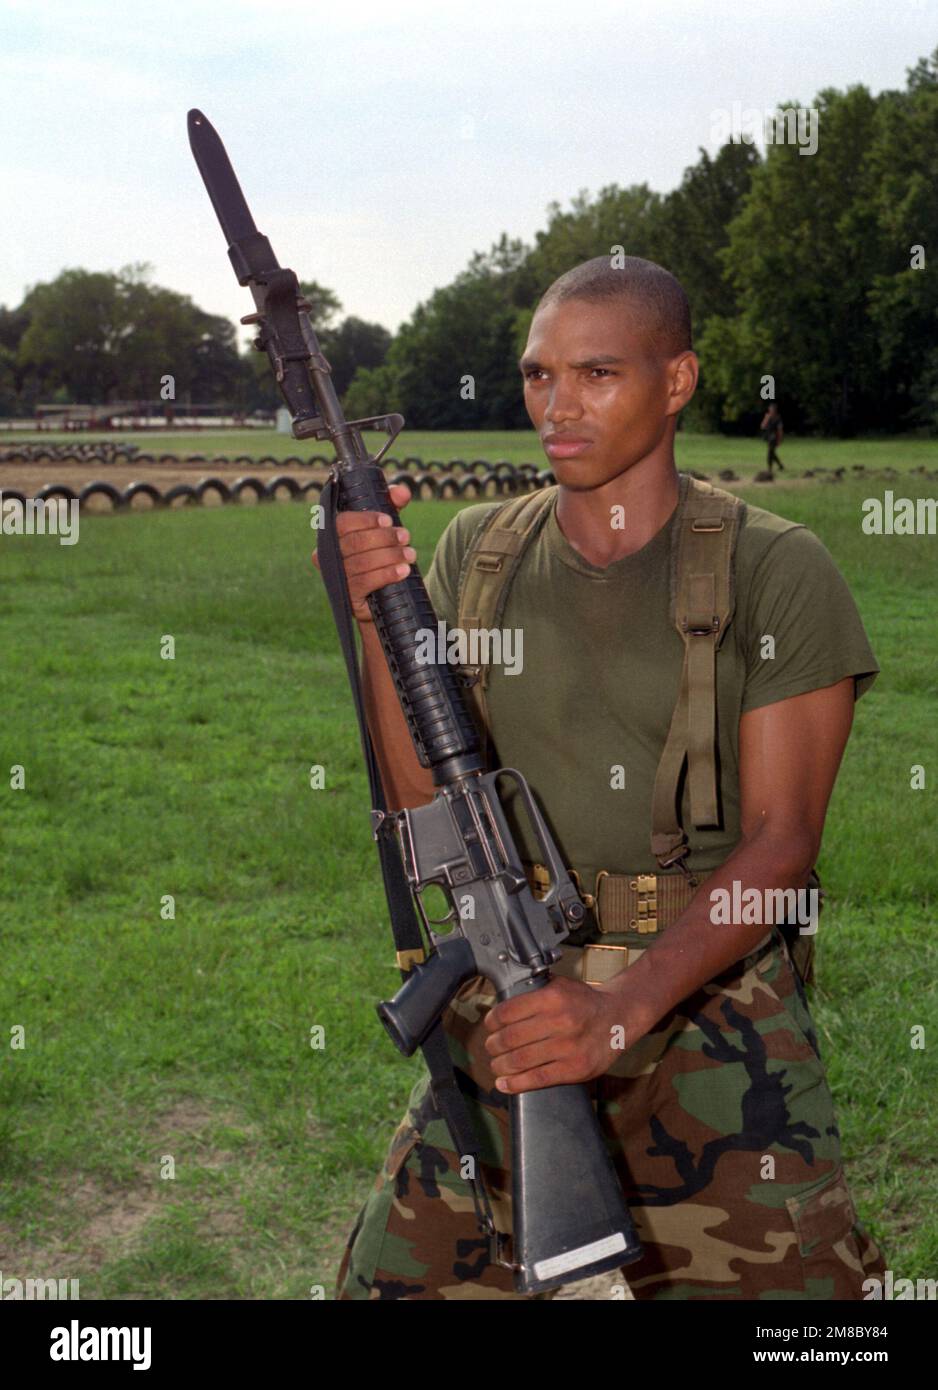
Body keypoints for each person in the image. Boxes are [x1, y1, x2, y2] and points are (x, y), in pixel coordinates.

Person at [316, 255, 887, 1300]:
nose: (558, 406)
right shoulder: (478, 552)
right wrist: (373, 616)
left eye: (596, 373)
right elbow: (419, 805)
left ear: (676, 382)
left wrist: (618, 1008)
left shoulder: (774, 568)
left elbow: (780, 845)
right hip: (516, 997)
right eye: (539, 375)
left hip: (707, 1010)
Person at [760, 401, 784, 473]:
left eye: (772, 409)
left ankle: (769, 468)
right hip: (769, 437)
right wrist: (766, 418)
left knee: (770, 453)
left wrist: (779, 440)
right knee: (772, 453)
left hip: (774, 438)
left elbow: (780, 430)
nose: (771, 411)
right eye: (770, 409)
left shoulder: (778, 419)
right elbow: (762, 426)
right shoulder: (768, 417)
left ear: (775, 410)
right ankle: (780, 466)